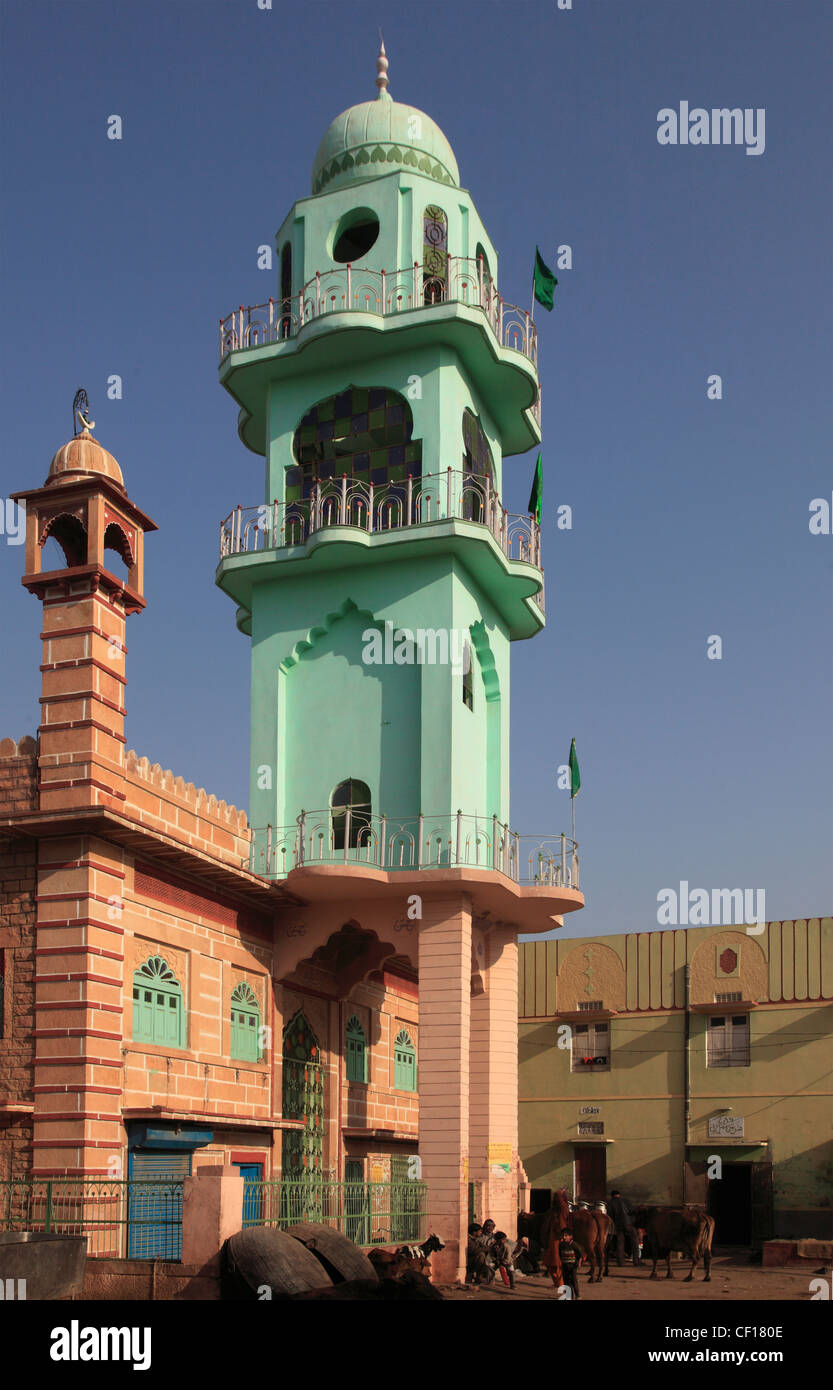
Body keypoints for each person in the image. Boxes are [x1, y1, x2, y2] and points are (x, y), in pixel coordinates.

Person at [608, 1189, 641, 1267]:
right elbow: (632, 1211)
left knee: (620, 1243)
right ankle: (636, 1261)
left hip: (618, 1225)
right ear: (619, 1194)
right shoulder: (626, 1201)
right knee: (634, 1242)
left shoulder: (610, 1203)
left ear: (612, 1196)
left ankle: (621, 1262)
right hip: (629, 1224)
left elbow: (610, 1216)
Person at [558, 1231, 581, 1300]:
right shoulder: (561, 1245)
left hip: (573, 1266)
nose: (564, 1237)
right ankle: (569, 1296)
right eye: (563, 1236)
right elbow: (560, 1254)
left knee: (574, 1281)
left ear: (570, 1237)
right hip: (565, 1265)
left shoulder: (574, 1245)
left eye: (566, 1236)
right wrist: (561, 1263)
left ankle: (577, 1295)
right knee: (566, 1281)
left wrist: (578, 1264)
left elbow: (580, 1255)